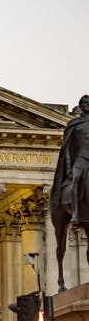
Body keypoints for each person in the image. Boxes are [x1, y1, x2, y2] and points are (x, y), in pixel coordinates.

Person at [51, 94, 89, 226]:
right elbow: (66, 149)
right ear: (81, 106)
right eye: (84, 103)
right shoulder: (74, 124)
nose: (86, 105)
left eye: (88, 103)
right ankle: (77, 212)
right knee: (77, 179)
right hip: (81, 159)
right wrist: (68, 169)